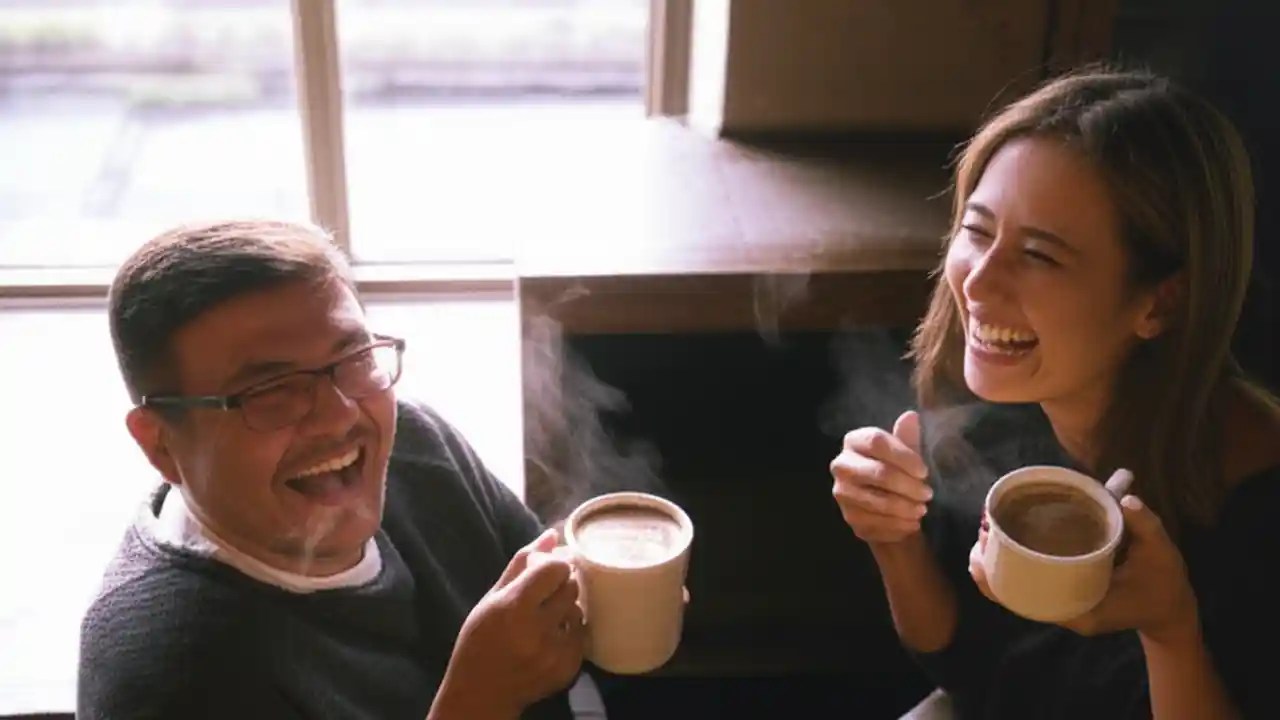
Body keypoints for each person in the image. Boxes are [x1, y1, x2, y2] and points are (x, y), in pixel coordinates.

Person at [829, 66, 1280, 719]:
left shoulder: (1259, 508)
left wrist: (1170, 632)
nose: (978, 284)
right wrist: (892, 537)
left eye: (1039, 255)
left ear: (1159, 303)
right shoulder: (993, 403)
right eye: (978, 231)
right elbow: (961, 662)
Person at [78, 219, 599, 719]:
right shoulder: (160, 676)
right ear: (161, 444)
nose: (339, 416)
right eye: (271, 390)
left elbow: (561, 595)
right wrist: (479, 701)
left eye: (353, 359)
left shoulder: (416, 445)